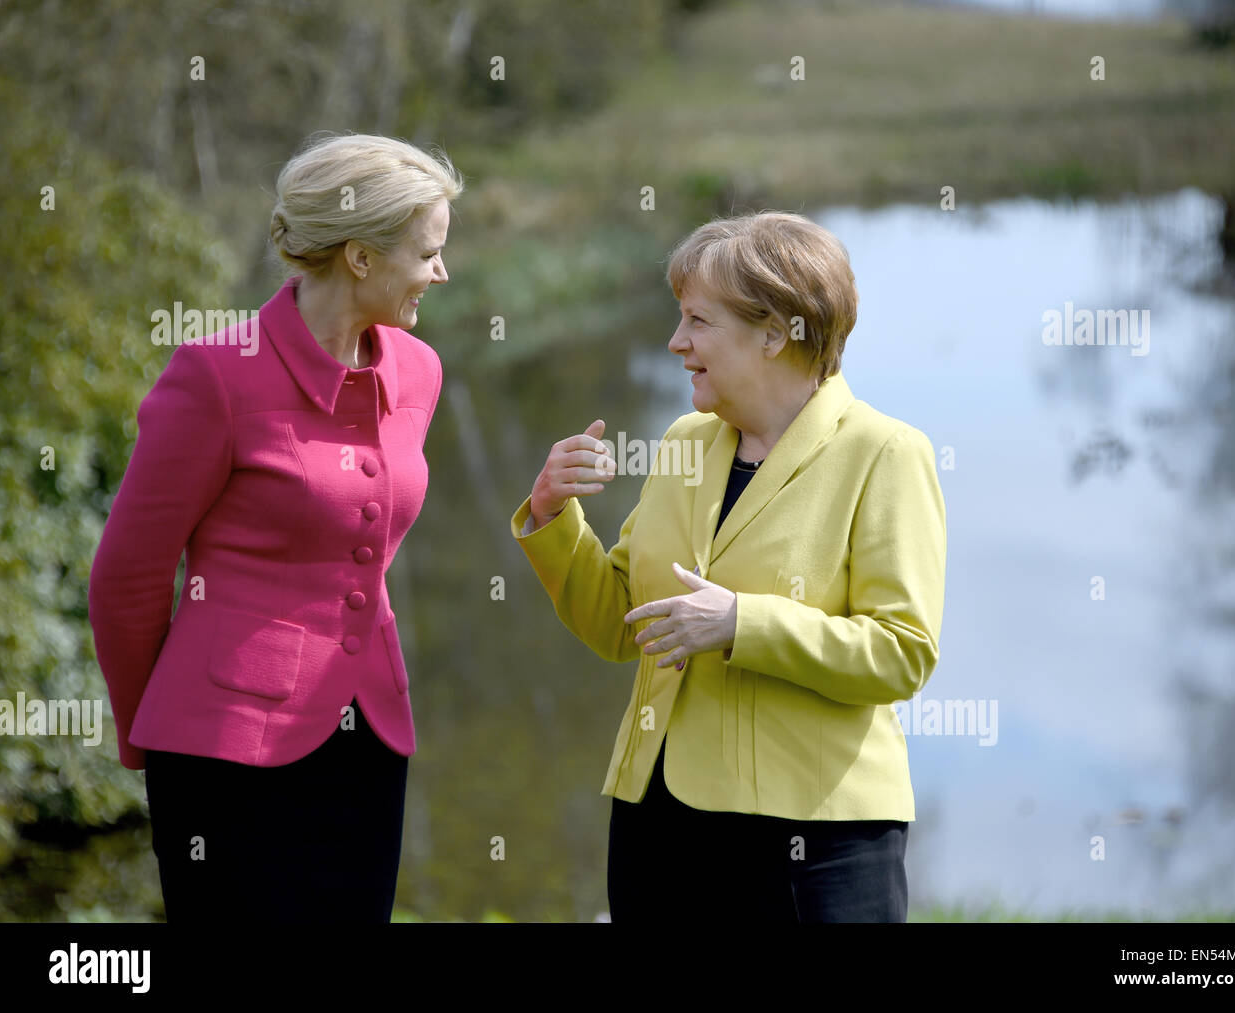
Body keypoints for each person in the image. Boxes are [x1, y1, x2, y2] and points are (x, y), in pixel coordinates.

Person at [510, 211, 946, 922]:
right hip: (658, 827)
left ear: (774, 333)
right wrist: (555, 515)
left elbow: (901, 651)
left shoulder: (885, 453)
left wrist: (742, 623)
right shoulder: (685, 442)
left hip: (814, 838)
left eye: (697, 322)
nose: (677, 343)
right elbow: (620, 625)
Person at [87, 133, 463, 923]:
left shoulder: (419, 370)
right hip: (224, 753)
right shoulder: (215, 374)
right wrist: (146, 732)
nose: (441, 272)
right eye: (428, 252)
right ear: (360, 256)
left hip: (371, 738)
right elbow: (127, 577)